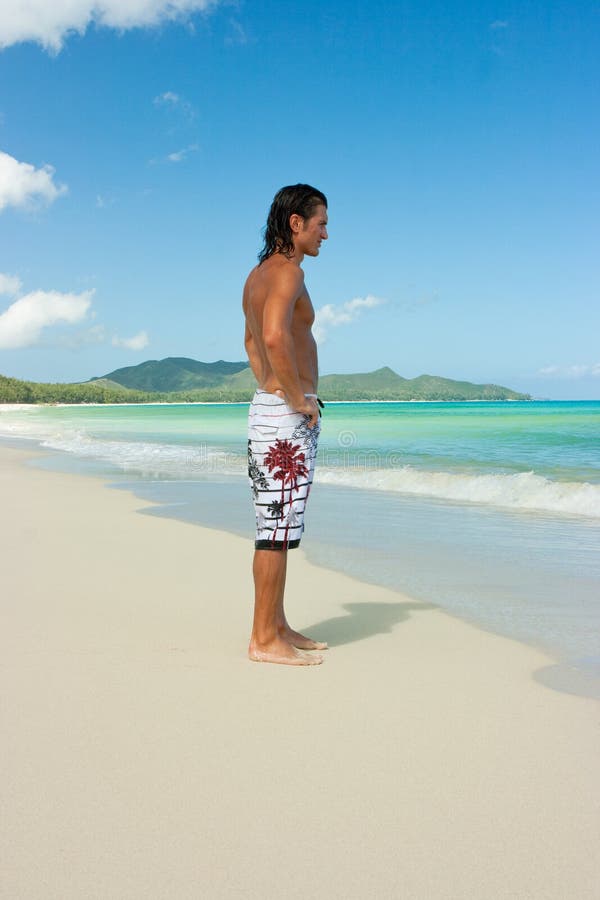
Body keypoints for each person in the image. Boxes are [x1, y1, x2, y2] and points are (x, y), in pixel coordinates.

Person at [243, 184, 329, 665]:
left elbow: (250, 343)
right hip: (285, 417)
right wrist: (295, 399)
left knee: (279, 527)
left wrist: (271, 388)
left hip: (269, 410)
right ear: (295, 223)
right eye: (320, 224)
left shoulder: (257, 275)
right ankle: (262, 640)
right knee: (274, 531)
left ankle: (276, 625)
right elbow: (273, 335)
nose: (325, 234)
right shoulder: (288, 273)